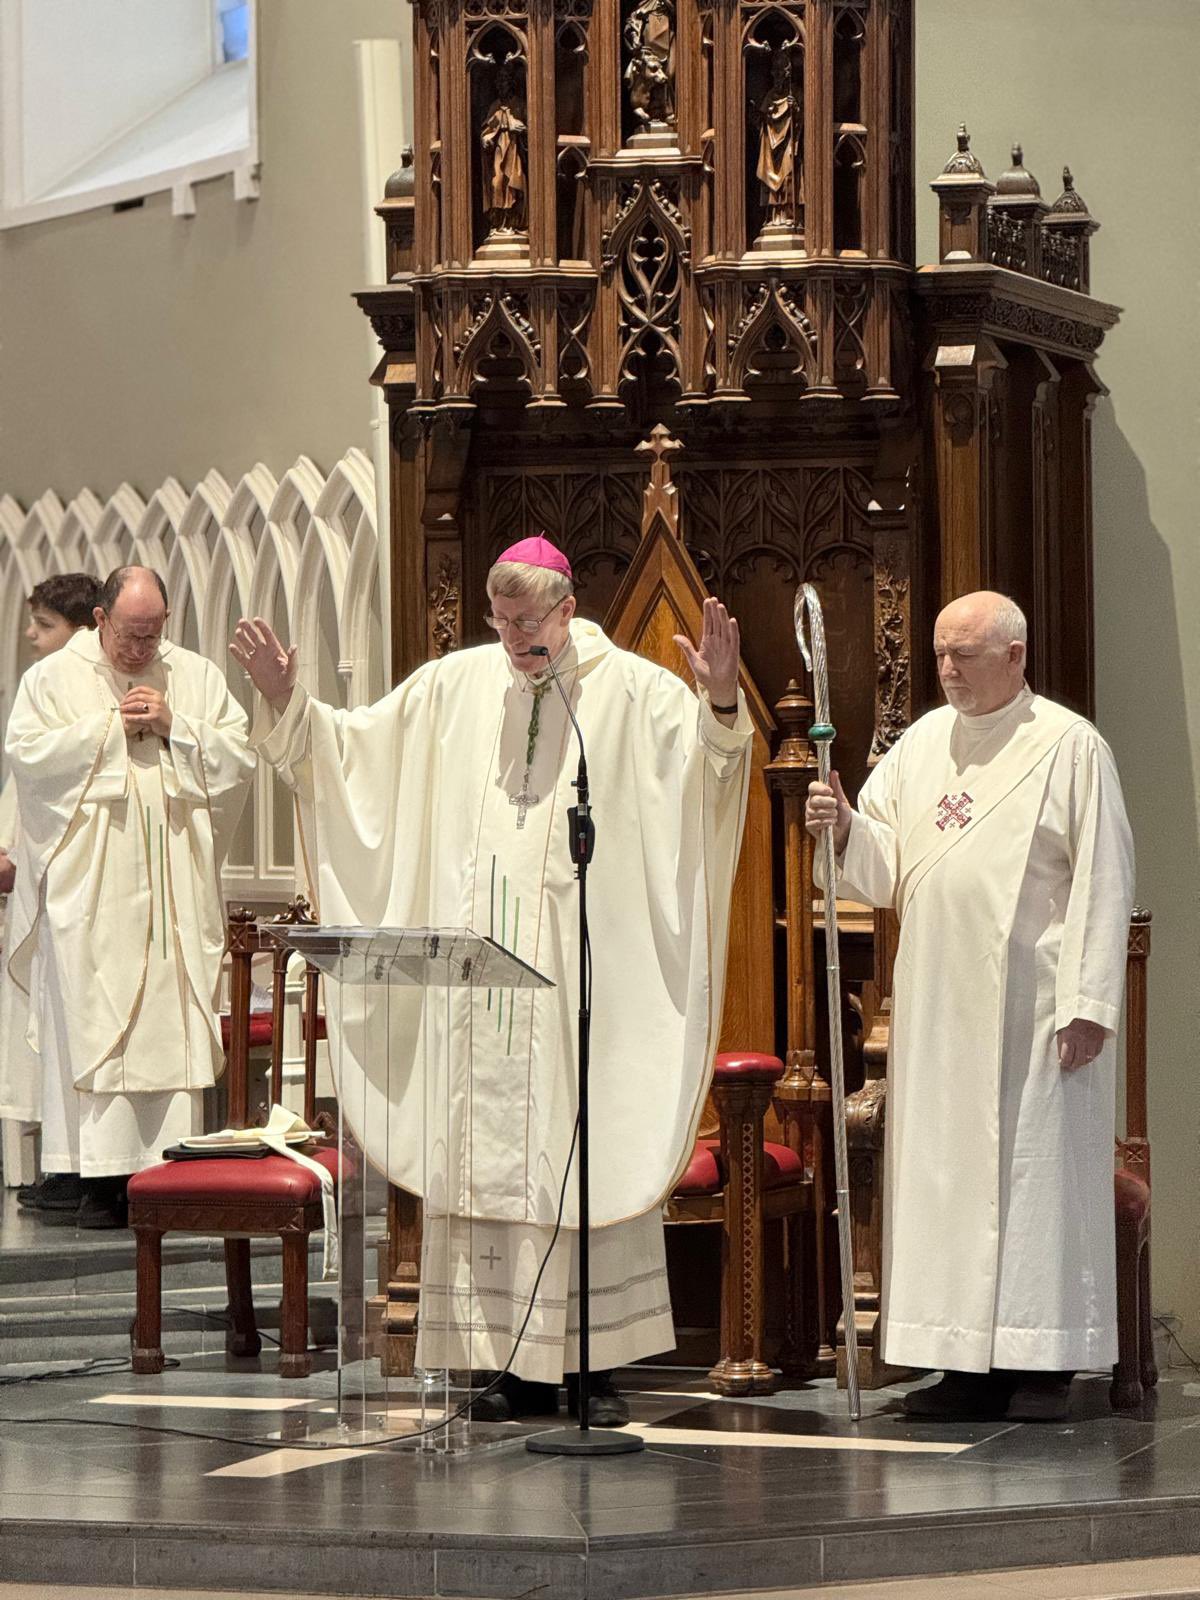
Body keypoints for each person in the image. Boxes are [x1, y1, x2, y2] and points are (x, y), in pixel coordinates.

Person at [233, 534, 751, 1425]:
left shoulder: (632, 692)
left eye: (527, 620)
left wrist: (722, 699)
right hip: (475, 990)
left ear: (567, 609)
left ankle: (587, 1365)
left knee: (577, 1150)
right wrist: (289, 702)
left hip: (580, 983)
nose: (512, 636)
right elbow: (354, 755)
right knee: (482, 1156)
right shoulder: (453, 686)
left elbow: (712, 769)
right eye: (500, 619)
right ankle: (503, 1361)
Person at [806, 591, 1134, 1423]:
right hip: (938, 1005)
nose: (948, 670)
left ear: (1015, 656)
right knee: (946, 1181)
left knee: (1035, 1179)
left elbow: (1104, 877)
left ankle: (1043, 1362)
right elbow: (881, 866)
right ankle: (959, 1362)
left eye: (965, 655)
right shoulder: (921, 744)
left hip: (1036, 1010)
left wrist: (1088, 1001)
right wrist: (842, 828)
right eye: (941, 654)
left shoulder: (1068, 746)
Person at [0, 567, 254, 1228]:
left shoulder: (194, 676)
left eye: (152, 635)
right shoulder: (52, 679)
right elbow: (28, 759)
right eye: (128, 635)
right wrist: (108, 731)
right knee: (94, 1016)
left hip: (172, 892)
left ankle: (166, 1174)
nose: (140, 650)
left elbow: (238, 759)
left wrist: (175, 725)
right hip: (93, 893)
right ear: (101, 618)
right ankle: (97, 1177)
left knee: (167, 1018)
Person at [0, 573, 100, 1212]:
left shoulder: (89, 704)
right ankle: (58, 1164)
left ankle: (79, 1169)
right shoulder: (42, 697)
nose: (32, 637)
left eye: (45, 625)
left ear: (86, 628)